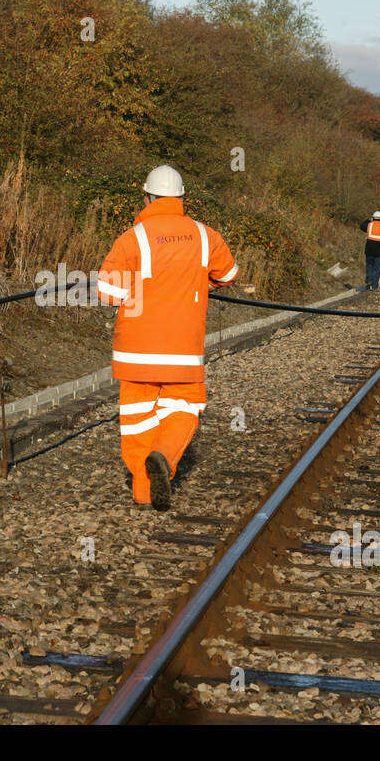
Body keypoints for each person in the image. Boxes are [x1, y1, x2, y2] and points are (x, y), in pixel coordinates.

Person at [96, 165, 239, 510]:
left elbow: (107, 290)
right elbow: (229, 274)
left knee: (137, 421)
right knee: (184, 408)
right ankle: (164, 455)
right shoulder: (207, 236)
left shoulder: (134, 237)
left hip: (135, 352)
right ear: (182, 200)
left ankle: (144, 494)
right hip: (182, 351)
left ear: (146, 198)